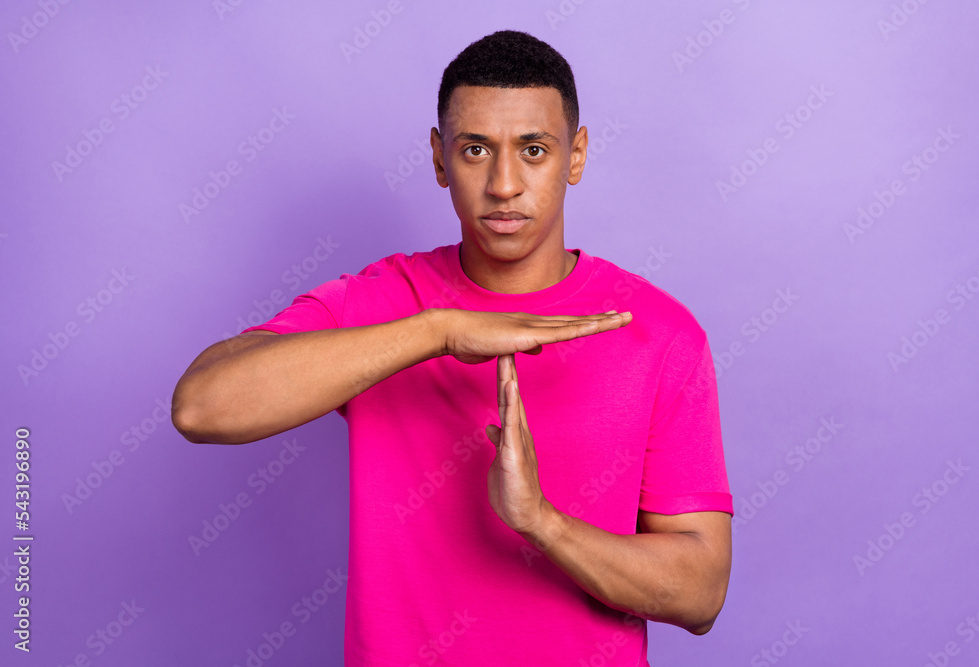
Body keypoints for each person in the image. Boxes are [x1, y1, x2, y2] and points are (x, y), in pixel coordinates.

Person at [173, 29, 733, 667]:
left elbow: (701, 593)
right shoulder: (382, 302)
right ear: (439, 159)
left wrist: (541, 523)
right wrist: (437, 331)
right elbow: (201, 407)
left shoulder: (657, 332)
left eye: (533, 150)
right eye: (475, 150)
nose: (503, 184)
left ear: (575, 156)